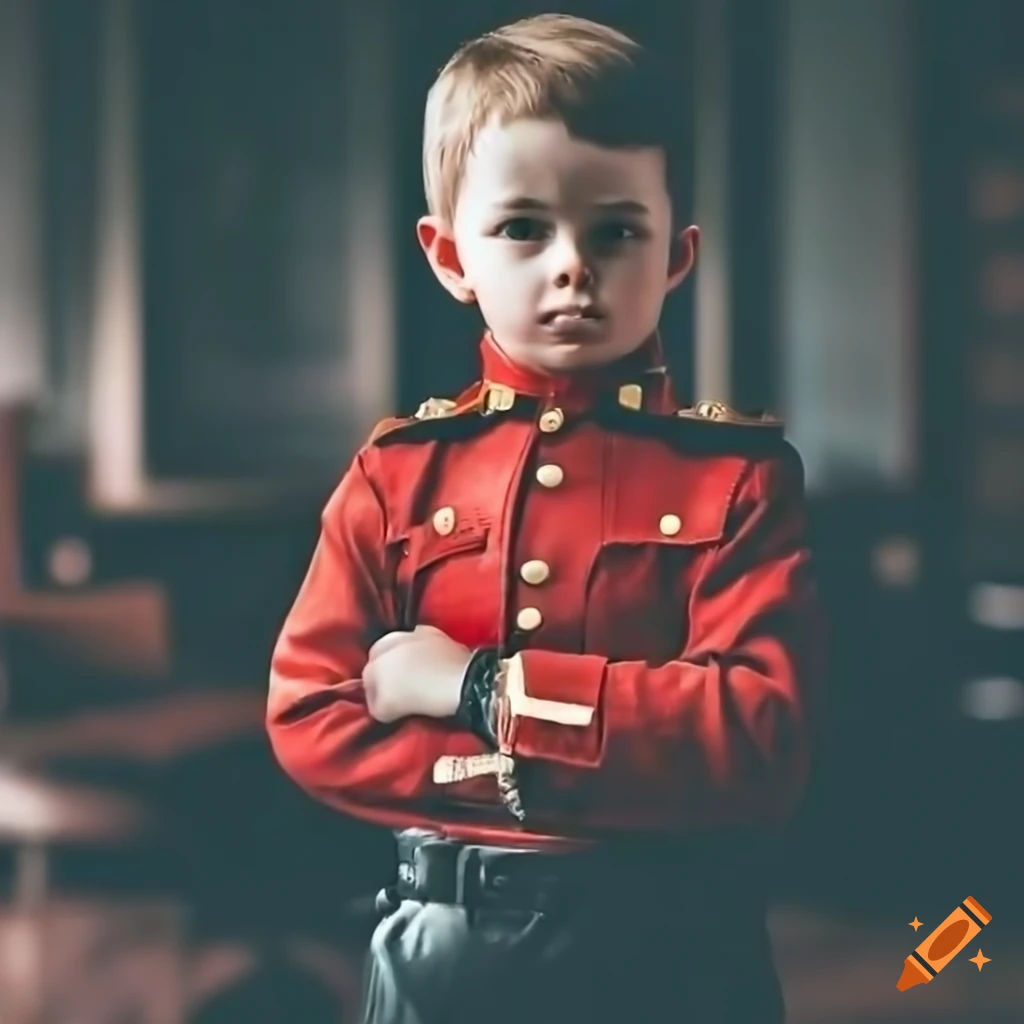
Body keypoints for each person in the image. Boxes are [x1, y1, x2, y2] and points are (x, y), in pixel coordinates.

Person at [267, 13, 824, 1023]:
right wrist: (596, 761)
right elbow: (310, 715)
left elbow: (757, 741)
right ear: (448, 256)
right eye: (523, 227)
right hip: (444, 952)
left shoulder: (740, 482)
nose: (572, 265)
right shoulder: (396, 474)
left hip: (675, 952)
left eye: (616, 229)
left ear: (677, 255)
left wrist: (476, 686)